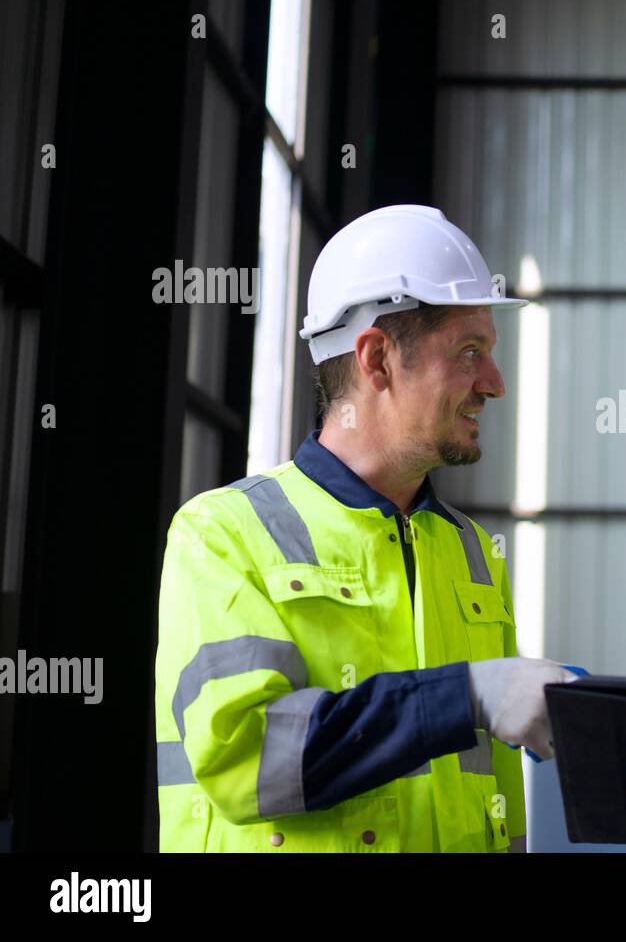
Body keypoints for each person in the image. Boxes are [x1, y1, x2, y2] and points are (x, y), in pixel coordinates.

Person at [155, 205, 576, 852]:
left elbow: (494, 799)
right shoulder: (224, 535)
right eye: (470, 352)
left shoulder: (470, 552)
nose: (494, 383)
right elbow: (243, 758)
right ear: (377, 358)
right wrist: (463, 695)